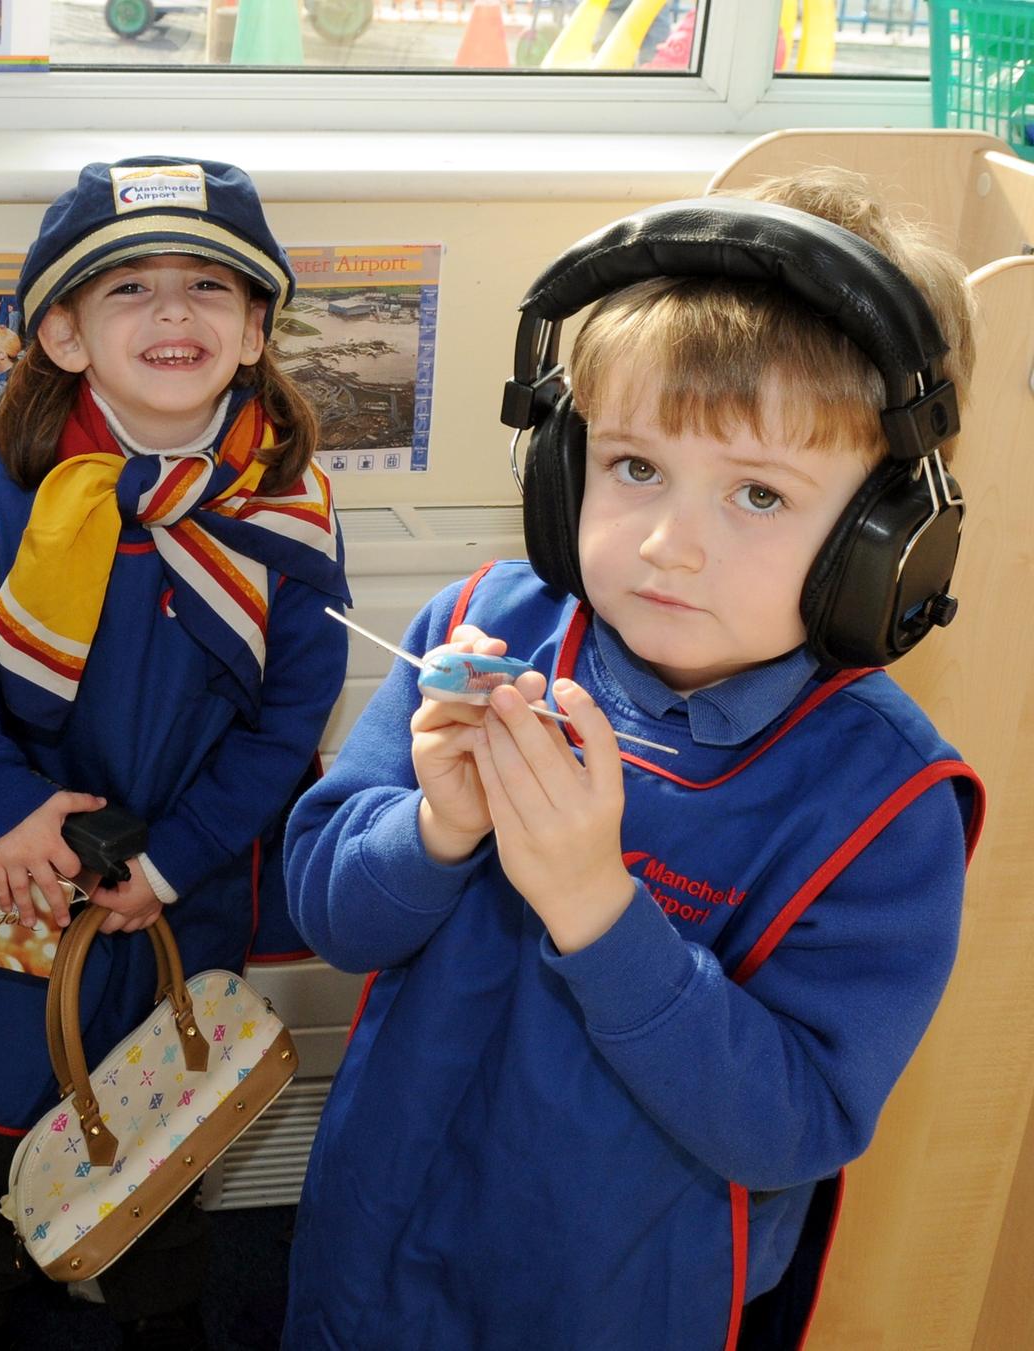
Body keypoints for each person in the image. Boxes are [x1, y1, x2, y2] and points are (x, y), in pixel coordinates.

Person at [282, 171, 983, 1350]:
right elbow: (333, 919)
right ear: (561, 470)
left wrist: (595, 910)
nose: (666, 544)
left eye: (758, 492)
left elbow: (795, 1122)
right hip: (384, 1226)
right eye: (632, 467)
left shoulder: (881, 804)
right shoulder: (480, 630)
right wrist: (432, 831)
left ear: (885, 543)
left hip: (616, 1291)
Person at [0, 157, 350, 1351]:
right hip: (21, 865)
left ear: (252, 330)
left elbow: (286, 715)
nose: (172, 312)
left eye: (207, 286)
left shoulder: (284, 503)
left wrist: (176, 861)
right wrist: (6, 805)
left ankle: (158, 1316)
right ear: (65, 332)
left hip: (173, 889)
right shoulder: (4, 485)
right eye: (130, 287)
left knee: (160, 1121)